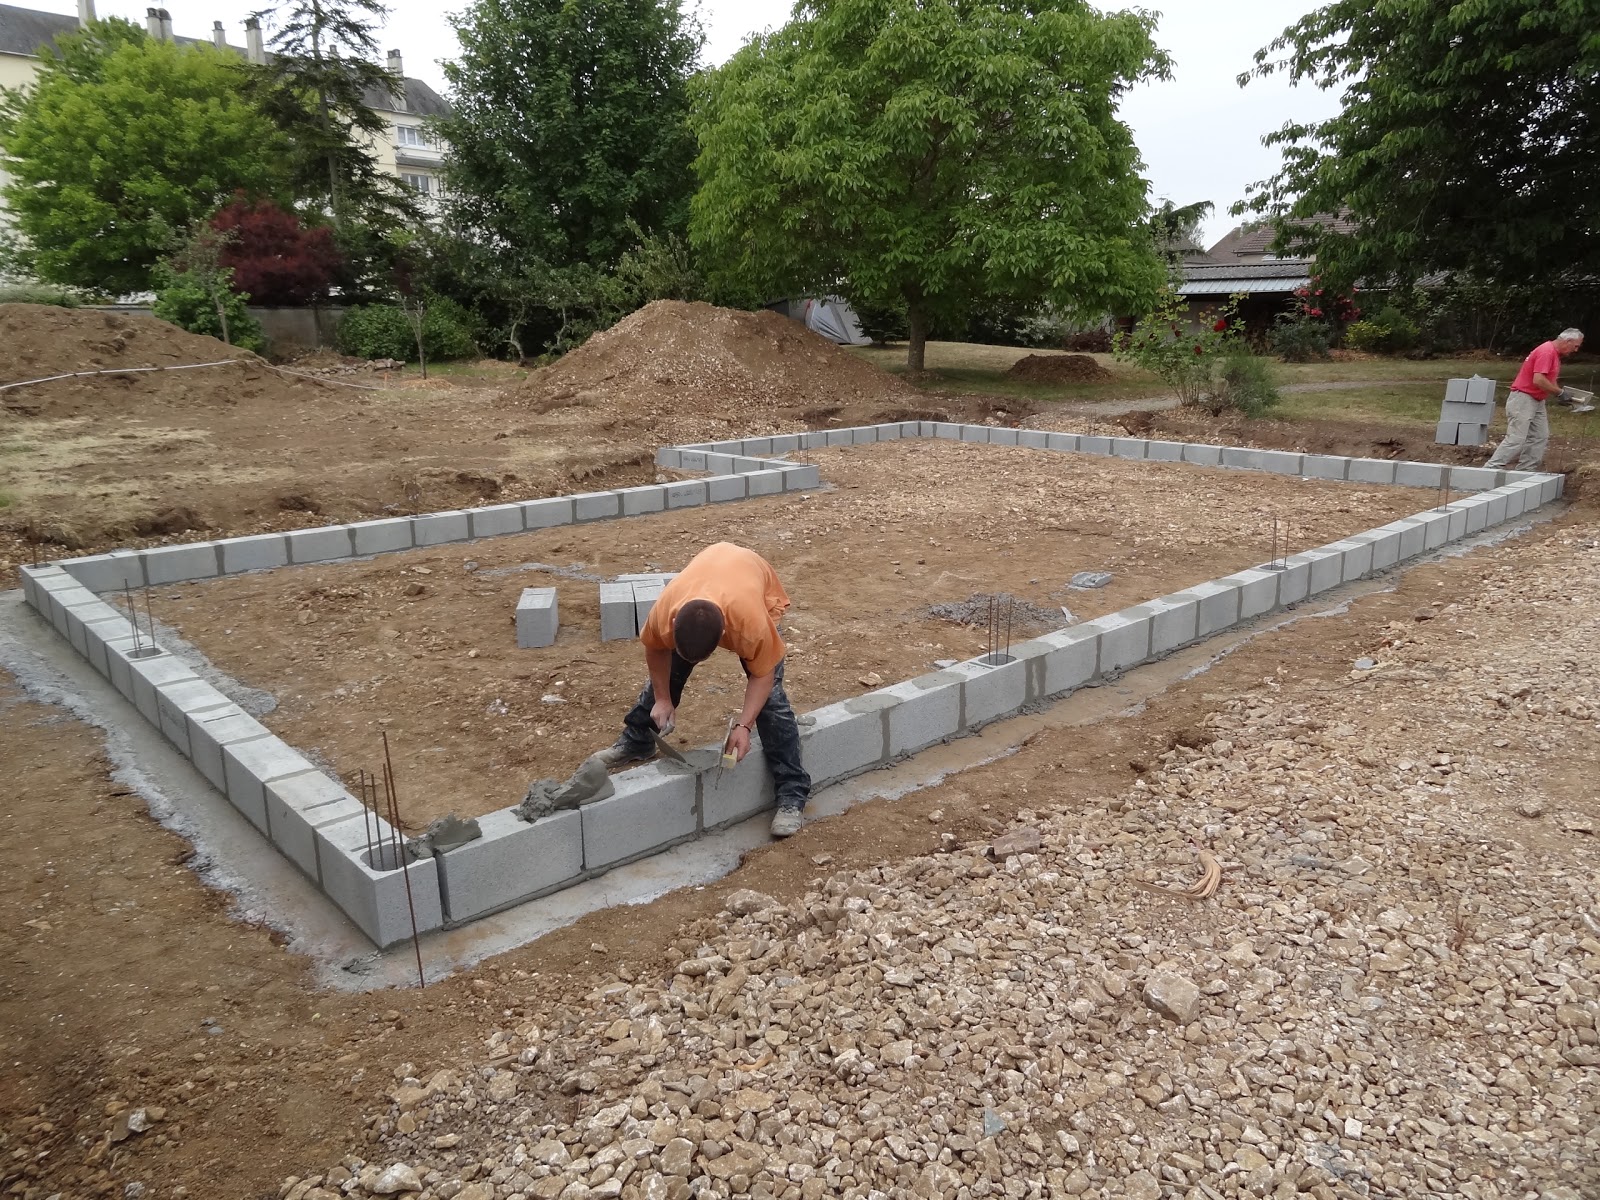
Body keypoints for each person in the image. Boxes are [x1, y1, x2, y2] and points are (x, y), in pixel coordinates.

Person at [596, 542, 812, 837]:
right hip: (712, 571)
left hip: (752, 579)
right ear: (673, 623)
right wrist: (662, 698)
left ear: (725, 636)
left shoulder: (751, 624)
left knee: (771, 701)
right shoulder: (664, 609)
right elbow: (655, 650)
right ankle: (637, 740)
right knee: (669, 672)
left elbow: (762, 678)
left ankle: (792, 792)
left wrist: (744, 726)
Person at [1485, 328, 1586, 470]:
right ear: (1567, 341)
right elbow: (1538, 380)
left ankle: (1525, 472)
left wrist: (1560, 394)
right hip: (1523, 398)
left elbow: (1549, 379)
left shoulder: (1554, 354)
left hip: (1536, 400)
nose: (1575, 350)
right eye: (1575, 346)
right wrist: (1559, 393)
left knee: (1540, 436)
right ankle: (1489, 469)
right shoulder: (1546, 352)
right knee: (1516, 439)